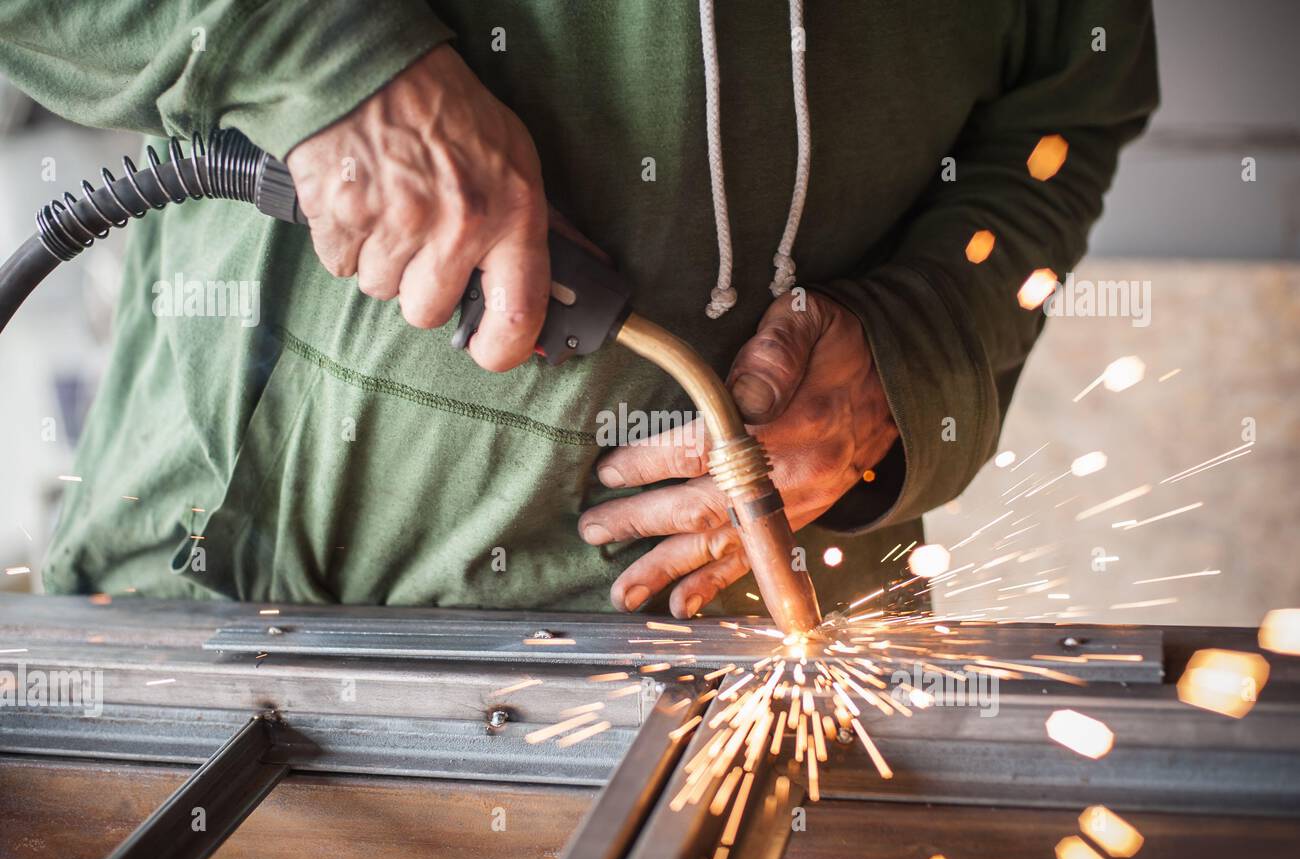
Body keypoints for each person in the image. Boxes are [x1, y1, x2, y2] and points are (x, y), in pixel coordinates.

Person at [0, 1, 1157, 619]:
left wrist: (920, 340)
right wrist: (312, 50)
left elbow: (1066, 116)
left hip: (777, 641)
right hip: (258, 625)